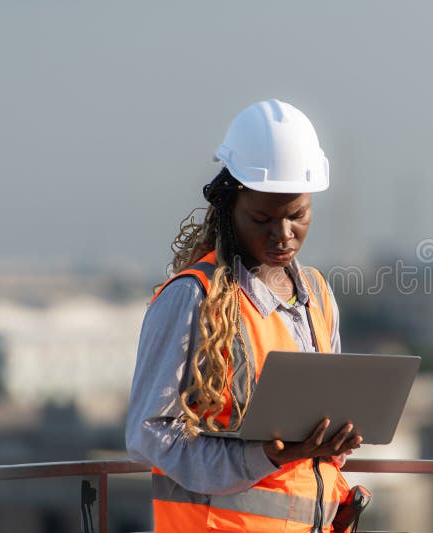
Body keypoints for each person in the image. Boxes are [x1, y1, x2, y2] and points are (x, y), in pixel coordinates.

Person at [125, 99, 362, 533]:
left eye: (297, 216)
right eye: (262, 218)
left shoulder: (318, 297)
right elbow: (150, 434)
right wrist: (266, 457)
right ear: (229, 209)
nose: (283, 235)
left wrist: (331, 443)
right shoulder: (190, 298)